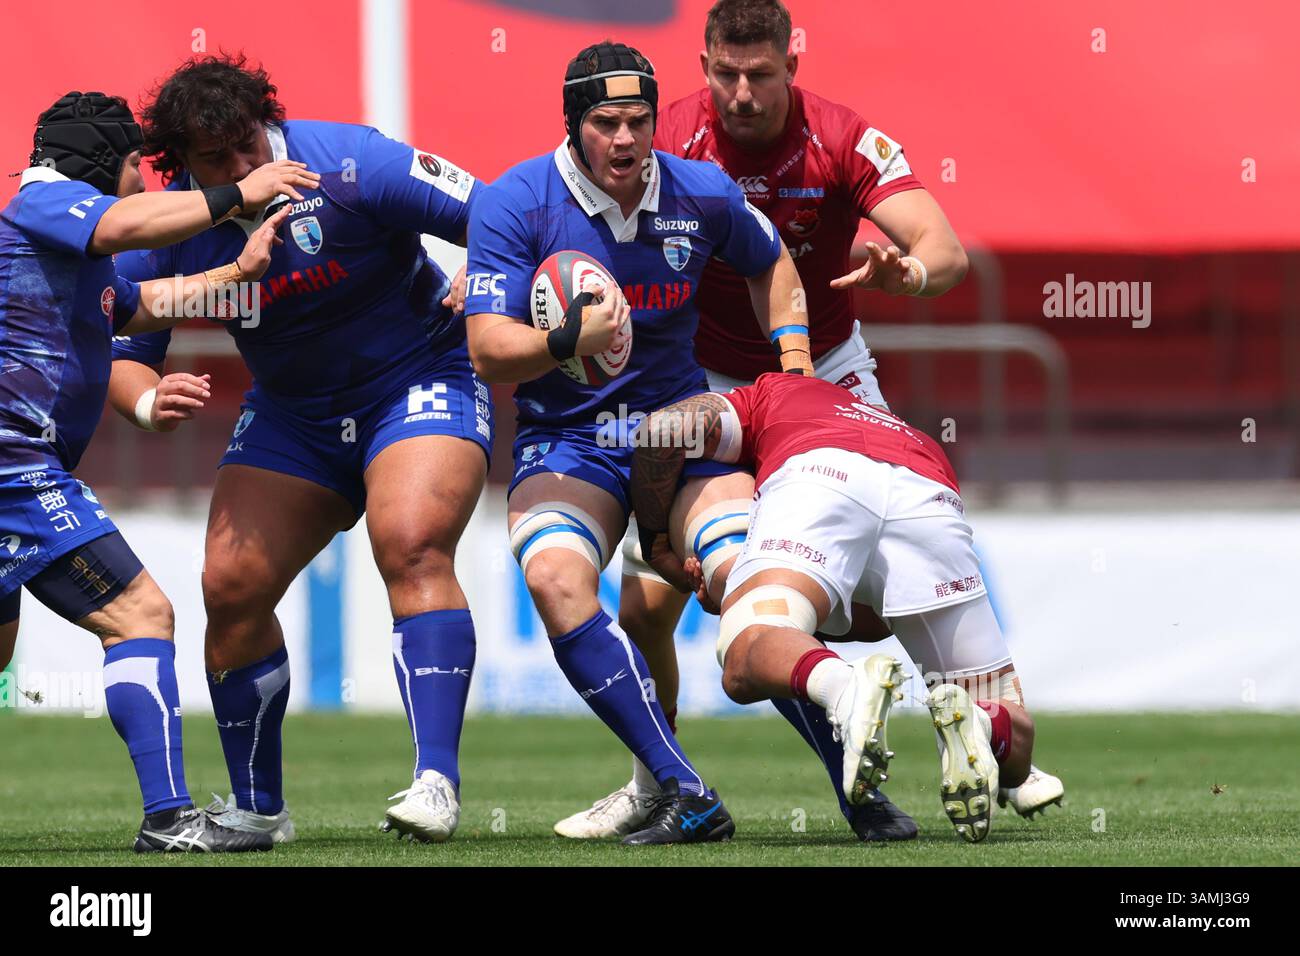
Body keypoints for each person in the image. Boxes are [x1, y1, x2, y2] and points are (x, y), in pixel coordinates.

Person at [558, 0, 1060, 840]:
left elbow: (944, 251)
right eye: (726, 74)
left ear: (794, 62)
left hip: (823, 376)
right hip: (702, 376)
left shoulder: (843, 138)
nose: (743, 93)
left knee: (833, 588)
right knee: (648, 606)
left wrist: (908, 275)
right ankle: (661, 780)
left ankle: (918, 745)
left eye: (761, 75)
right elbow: (574, 212)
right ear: (705, 63)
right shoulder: (667, 135)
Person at [107, 54, 492, 844]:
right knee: (231, 583)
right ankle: (257, 811)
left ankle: (436, 784)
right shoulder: (175, 222)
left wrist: (486, 270)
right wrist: (145, 401)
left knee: (411, 544)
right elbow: (119, 341)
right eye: (219, 161)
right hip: (295, 416)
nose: (248, 169)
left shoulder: (354, 161)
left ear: (267, 122)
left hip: (418, 376)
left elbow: (499, 216)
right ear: (183, 168)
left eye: (252, 144)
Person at [464, 41, 811, 844]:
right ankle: (683, 788)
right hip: (569, 441)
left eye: (639, 121)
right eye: (606, 122)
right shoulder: (516, 200)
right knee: (555, 581)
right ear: (573, 125)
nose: (625, 139)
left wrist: (792, 362)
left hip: (675, 432)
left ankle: (858, 789)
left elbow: (774, 265)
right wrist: (566, 340)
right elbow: (486, 347)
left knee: (742, 579)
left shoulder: (701, 190)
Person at [1, 91, 313, 852]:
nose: (147, 181)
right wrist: (240, 192)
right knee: (141, 615)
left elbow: (141, 305)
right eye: (140, 165)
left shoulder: (72, 255)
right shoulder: (49, 203)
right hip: (14, 466)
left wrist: (239, 269)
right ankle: (170, 818)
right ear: (108, 163)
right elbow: (123, 223)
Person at [629, 374, 1044, 843]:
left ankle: (845, 687)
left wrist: (657, 542)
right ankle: (984, 722)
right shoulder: (903, 426)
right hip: (928, 494)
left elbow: (661, 431)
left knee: (745, 656)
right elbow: (873, 619)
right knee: (1011, 739)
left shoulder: (770, 391)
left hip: (820, 474)